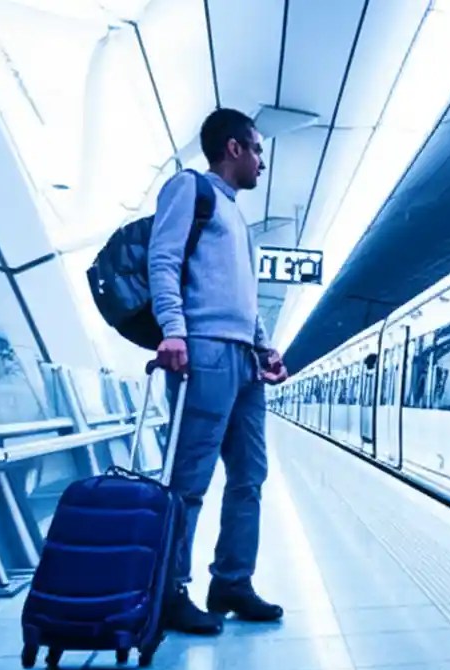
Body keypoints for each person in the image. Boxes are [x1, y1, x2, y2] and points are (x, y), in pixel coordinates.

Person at [147, 108, 288, 636]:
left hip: (246, 362)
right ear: (233, 148)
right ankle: (169, 590)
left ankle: (231, 580)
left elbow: (245, 301)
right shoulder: (190, 190)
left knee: (250, 477)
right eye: (257, 152)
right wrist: (173, 329)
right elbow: (162, 260)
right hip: (202, 352)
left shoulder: (240, 222)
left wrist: (266, 347)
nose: (261, 165)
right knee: (190, 480)